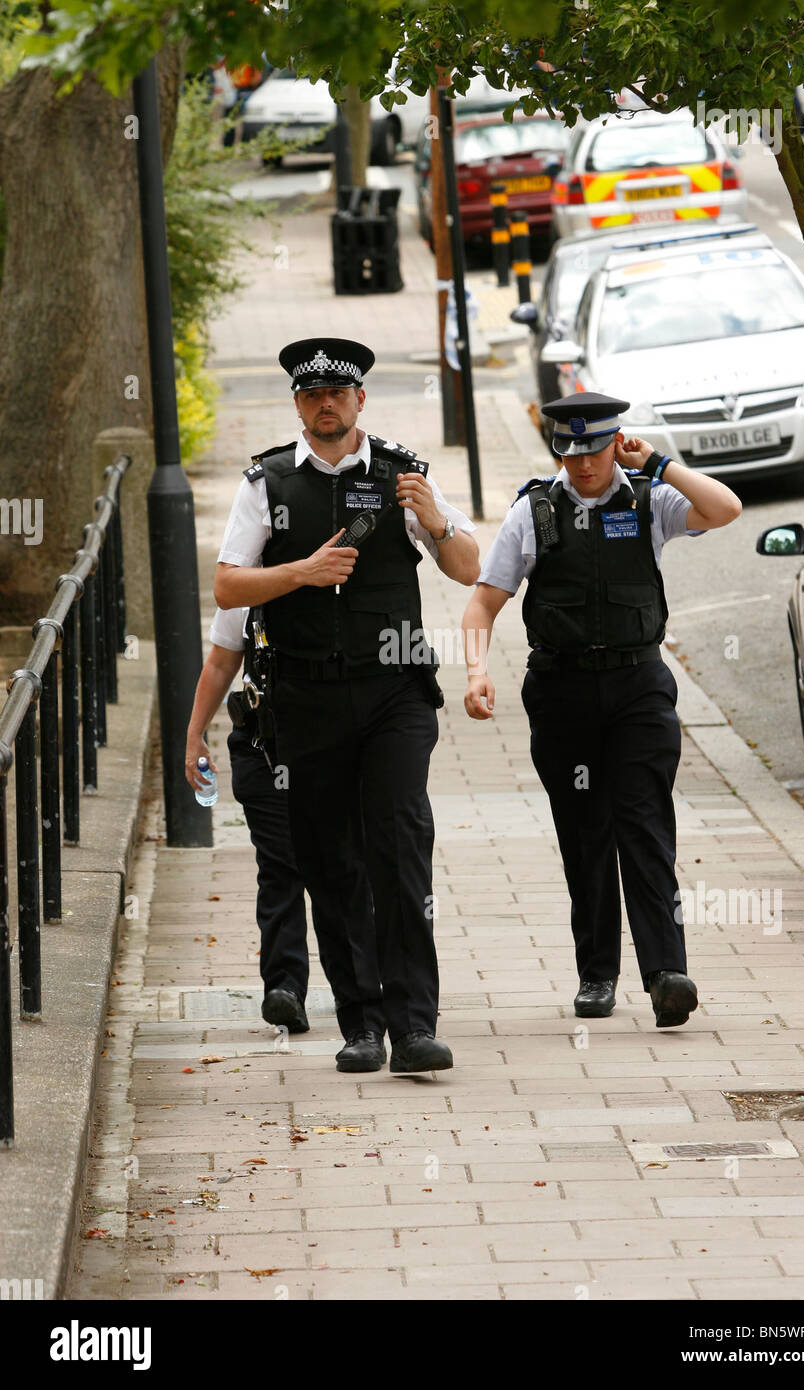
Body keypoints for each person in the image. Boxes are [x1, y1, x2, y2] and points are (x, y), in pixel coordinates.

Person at [213, 337, 480, 1074]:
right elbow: (228, 586)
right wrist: (299, 572)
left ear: (361, 399)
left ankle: (414, 1024)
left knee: (398, 848)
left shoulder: (403, 475)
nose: (324, 404)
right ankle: (360, 1023)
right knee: (329, 861)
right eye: (310, 394)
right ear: (298, 404)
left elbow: (469, 568)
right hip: (305, 697)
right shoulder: (266, 482)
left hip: (393, 692)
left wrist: (436, 519)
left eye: (337, 392)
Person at [461, 392, 742, 1028]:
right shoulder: (534, 512)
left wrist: (662, 464)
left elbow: (725, 508)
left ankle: (667, 972)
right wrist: (477, 671)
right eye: (569, 450)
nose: (582, 463)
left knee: (643, 822)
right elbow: (482, 604)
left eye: (593, 449)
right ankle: (597, 973)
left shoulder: (649, 498)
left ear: (616, 442)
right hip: (561, 693)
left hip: (637, 684)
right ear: (555, 449)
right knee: (585, 829)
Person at [185, 606, 317, 1033]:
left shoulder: (349, 574)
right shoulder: (246, 579)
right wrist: (194, 734)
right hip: (264, 747)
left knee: (345, 865)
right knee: (280, 866)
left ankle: (366, 986)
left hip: (339, 745)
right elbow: (223, 660)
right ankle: (284, 988)